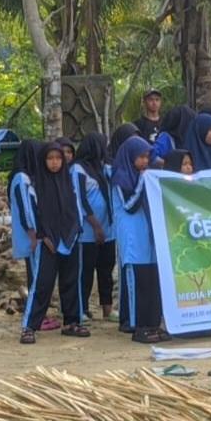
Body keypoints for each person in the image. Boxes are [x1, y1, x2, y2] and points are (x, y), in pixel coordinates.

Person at [20, 142, 87, 344]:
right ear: (43, 160)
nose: (55, 163)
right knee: (42, 284)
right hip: (47, 241)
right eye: (50, 158)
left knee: (71, 282)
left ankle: (72, 322)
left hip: (70, 238)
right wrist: (42, 235)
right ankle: (29, 326)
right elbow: (33, 212)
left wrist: (75, 232)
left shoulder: (69, 181)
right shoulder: (35, 184)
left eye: (58, 158)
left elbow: (76, 209)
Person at [111, 136, 165, 343]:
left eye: (147, 157)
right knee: (135, 280)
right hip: (131, 236)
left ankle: (151, 322)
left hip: (146, 234)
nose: (144, 161)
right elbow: (129, 205)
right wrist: (143, 180)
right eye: (141, 157)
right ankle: (134, 324)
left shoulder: (143, 176)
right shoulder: (121, 177)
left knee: (150, 280)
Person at [70, 132, 115, 322]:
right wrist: (95, 225)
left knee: (106, 270)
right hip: (88, 231)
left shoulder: (103, 168)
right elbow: (80, 199)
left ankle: (107, 308)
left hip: (108, 230)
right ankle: (82, 308)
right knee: (85, 272)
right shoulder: (78, 169)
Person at [8, 139, 43, 281]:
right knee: (35, 275)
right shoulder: (21, 178)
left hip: (33, 235)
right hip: (31, 235)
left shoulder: (25, 176)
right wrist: (33, 235)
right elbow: (25, 208)